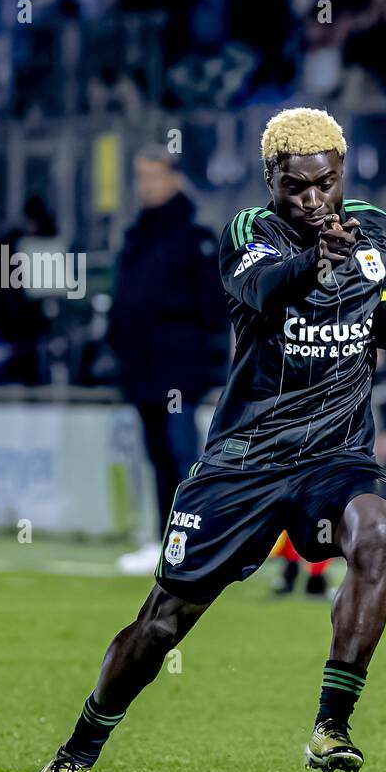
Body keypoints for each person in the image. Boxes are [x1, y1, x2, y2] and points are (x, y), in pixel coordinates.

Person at [31, 107, 386, 772]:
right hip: (245, 461)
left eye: (324, 183)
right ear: (270, 181)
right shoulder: (249, 236)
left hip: (338, 455)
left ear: (342, 172)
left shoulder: (376, 230)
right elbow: (266, 288)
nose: (311, 200)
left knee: (376, 531)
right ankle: (82, 745)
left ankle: (331, 723)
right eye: (294, 188)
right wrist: (317, 262)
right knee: (163, 623)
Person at [108, 146, 230, 575]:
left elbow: (214, 307)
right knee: (157, 454)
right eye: (142, 177)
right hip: (141, 367)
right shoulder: (137, 233)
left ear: (175, 179)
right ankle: (167, 543)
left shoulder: (194, 234)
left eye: (155, 177)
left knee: (182, 455)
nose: (147, 186)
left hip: (179, 366)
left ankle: (194, 543)